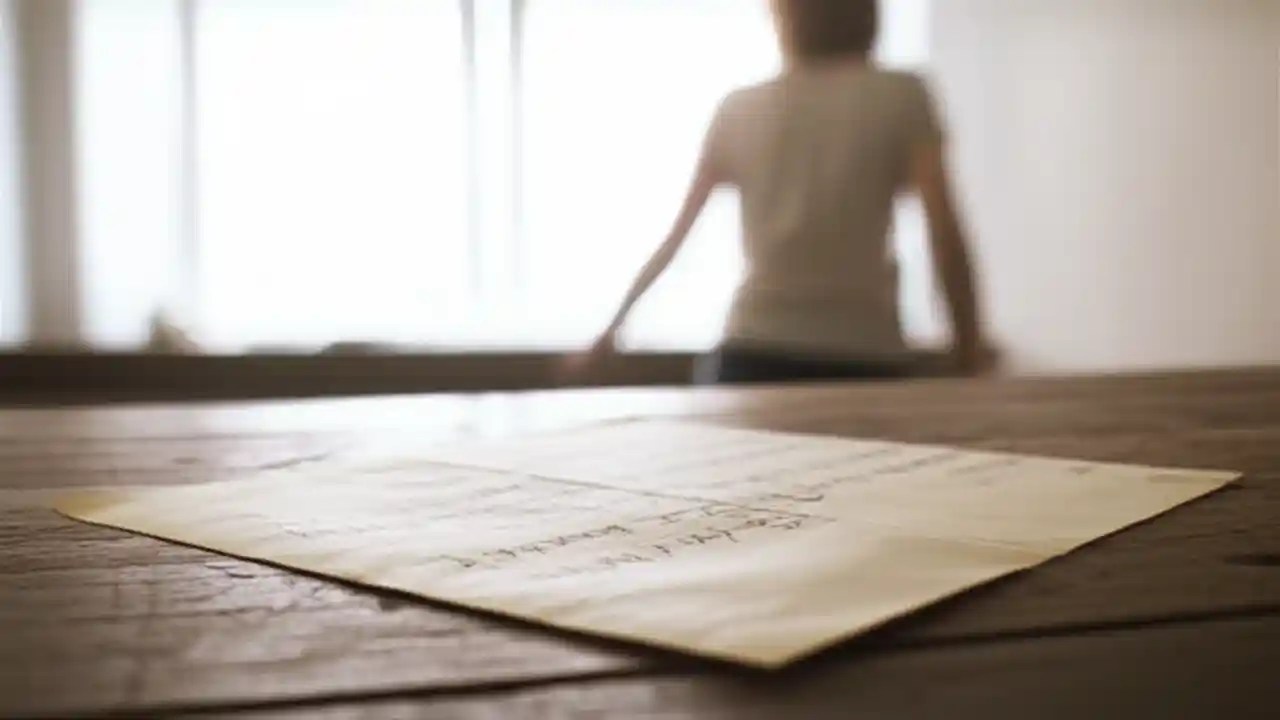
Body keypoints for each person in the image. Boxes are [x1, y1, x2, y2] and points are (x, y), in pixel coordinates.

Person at [570, 0, 992, 384]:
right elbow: (945, 234)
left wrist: (612, 330)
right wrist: (969, 348)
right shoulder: (902, 95)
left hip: (751, 354)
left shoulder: (739, 108)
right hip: (866, 355)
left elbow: (675, 239)